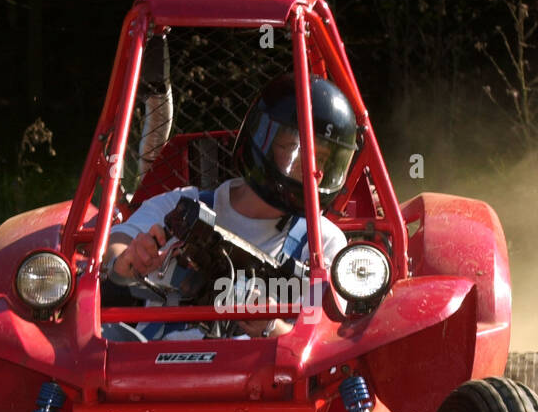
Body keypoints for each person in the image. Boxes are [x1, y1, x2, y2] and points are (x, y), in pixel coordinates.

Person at [103, 74, 358, 340]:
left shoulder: (322, 243)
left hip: (259, 374)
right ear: (265, 141)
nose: (309, 168)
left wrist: (272, 327)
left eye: (323, 159)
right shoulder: (181, 205)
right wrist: (128, 260)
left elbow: (328, 340)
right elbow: (115, 244)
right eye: (295, 148)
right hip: (151, 370)